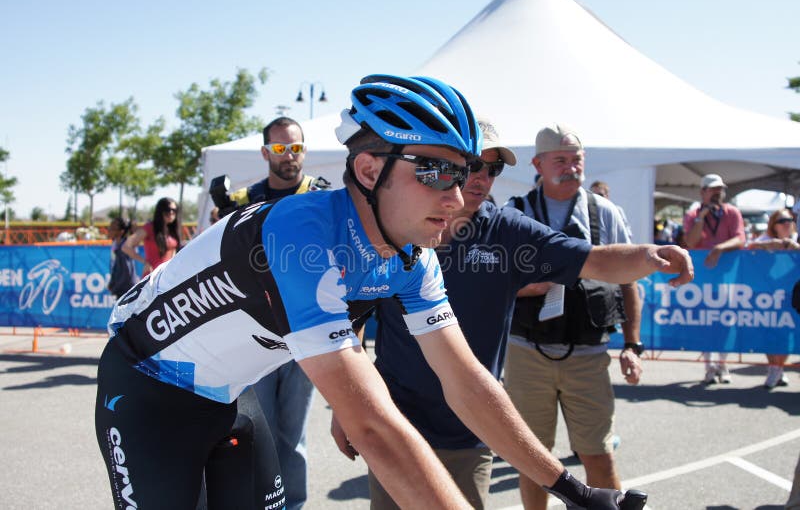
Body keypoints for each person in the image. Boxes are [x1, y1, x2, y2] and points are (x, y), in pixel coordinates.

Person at [95, 74, 692, 510]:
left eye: (462, 173)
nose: (457, 196)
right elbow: (375, 426)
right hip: (147, 390)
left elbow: (469, 384)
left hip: (228, 392)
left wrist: (571, 488)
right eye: (434, 171)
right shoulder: (301, 233)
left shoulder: (412, 253)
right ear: (369, 170)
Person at [354, 117, 677, 510]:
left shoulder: (507, 230)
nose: (482, 177)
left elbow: (594, 260)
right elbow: (354, 317)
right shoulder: (398, 224)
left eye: (494, 168)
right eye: (473, 164)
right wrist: (349, 407)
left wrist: (651, 256)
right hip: (396, 422)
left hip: (470, 429)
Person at [504, 124, 644, 510]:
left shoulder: (606, 213)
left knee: (597, 454)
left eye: (576, 159)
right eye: (560, 160)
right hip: (527, 351)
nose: (571, 168)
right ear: (538, 164)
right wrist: (530, 286)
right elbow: (492, 281)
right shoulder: (515, 213)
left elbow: (630, 282)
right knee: (534, 458)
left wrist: (633, 345)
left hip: (587, 354)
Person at [246, 116, 330, 510]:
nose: (288, 156)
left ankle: (292, 505)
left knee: (292, 437)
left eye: (295, 148)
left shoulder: (320, 197)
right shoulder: (243, 202)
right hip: (255, 336)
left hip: (305, 334)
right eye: (280, 148)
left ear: (304, 150)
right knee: (256, 433)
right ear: (265, 152)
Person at [682, 173, 746, 384]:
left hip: (727, 279)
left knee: (725, 322)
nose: (718, 193)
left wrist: (720, 248)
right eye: (713, 189)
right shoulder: (692, 215)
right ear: (703, 193)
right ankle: (709, 366)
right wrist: (703, 216)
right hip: (702, 281)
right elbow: (691, 242)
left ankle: (722, 363)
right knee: (705, 322)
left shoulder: (732, 212)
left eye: (720, 189)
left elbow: (740, 238)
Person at [747, 208, 799, 388]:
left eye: (790, 220)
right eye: (782, 220)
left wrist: (796, 249)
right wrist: (768, 246)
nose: (787, 224)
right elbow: (749, 248)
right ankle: (774, 368)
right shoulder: (765, 240)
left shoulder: (796, 240)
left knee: (787, 334)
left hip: (792, 296)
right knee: (769, 332)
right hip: (768, 295)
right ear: (773, 225)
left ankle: (779, 368)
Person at [122, 197, 183, 276]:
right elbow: (126, 247)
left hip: (169, 276)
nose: (171, 213)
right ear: (161, 211)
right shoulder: (150, 228)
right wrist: (144, 262)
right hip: (153, 276)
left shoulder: (173, 230)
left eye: (174, 210)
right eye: (168, 210)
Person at [106, 217, 139, 298]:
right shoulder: (117, 245)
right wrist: (112, 283)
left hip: (126, 290)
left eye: (112, 228)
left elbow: (126, 272)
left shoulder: (124, 248)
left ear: (121, 232)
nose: (109, 230)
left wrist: (116, 287)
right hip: (122, 289)